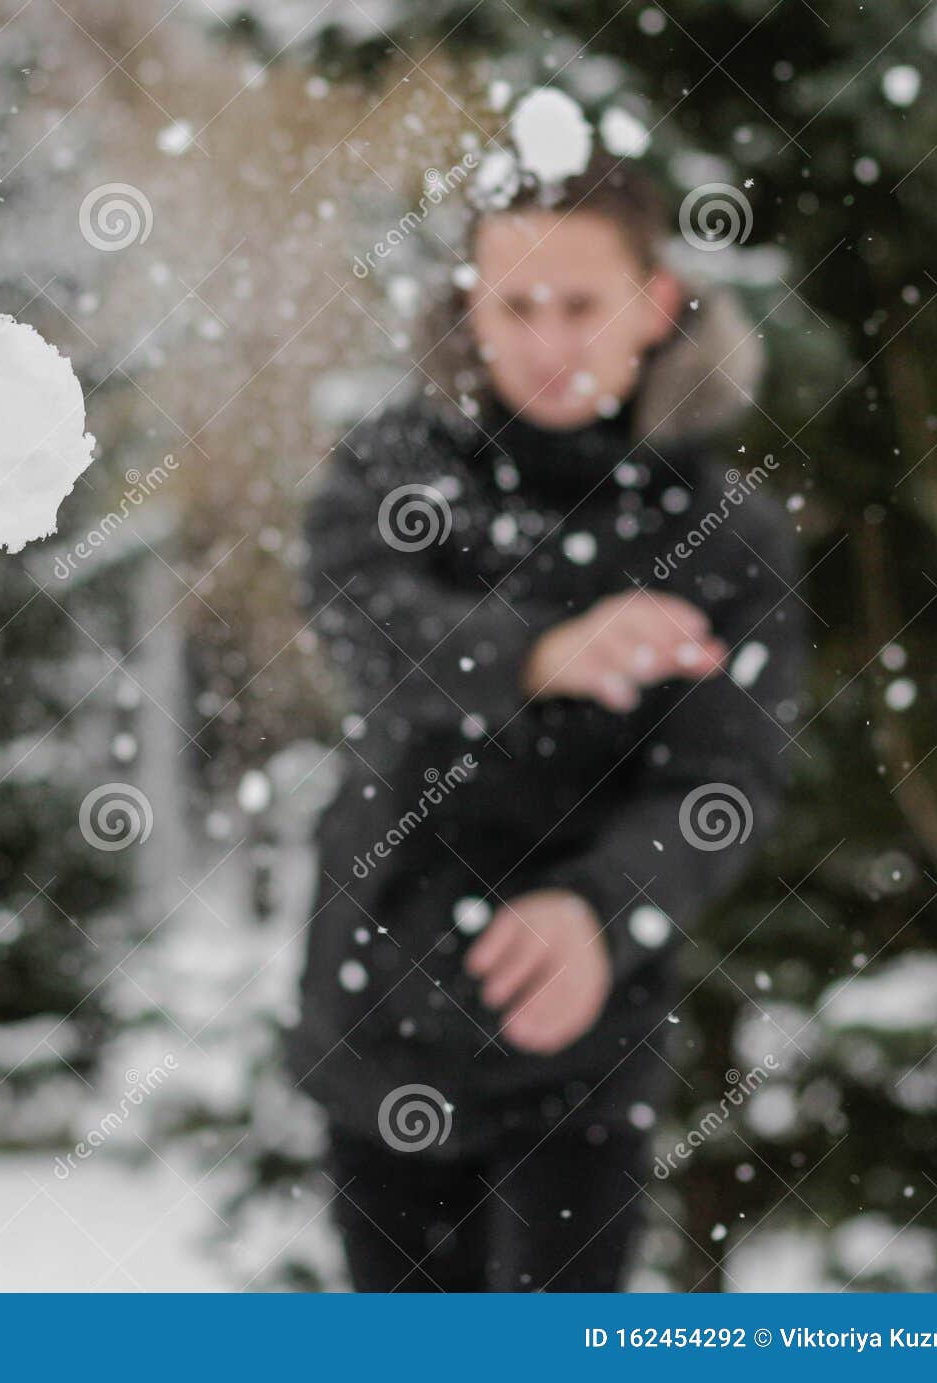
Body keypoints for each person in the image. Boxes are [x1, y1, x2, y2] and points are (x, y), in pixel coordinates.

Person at [286, 139, 806, 1292]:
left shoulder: (728, 535)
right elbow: (360, 628)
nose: (548, 343)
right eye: (514, 305)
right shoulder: (391, 469)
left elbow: (725, 784)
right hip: (377, 1009)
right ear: (470, 308)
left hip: (582, 1044)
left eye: (579, 304)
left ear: (655, 302)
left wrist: (597, 910)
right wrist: (542, 653)